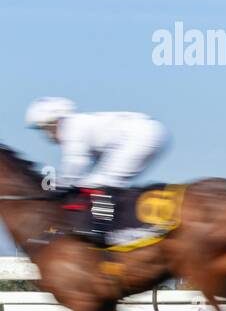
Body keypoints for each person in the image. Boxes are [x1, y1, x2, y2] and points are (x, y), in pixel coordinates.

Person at [25, 97, 169, 246]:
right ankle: (119, 226)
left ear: (53, 123)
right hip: (146, 133)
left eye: (44, 128)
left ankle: (107, 231)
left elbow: (76, 163)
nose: (46, 134)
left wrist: (55, 188)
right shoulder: (79, 124)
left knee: (101, 183)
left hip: (141, 136)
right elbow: (80, 172)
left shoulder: (71, 127)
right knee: (100, 183)